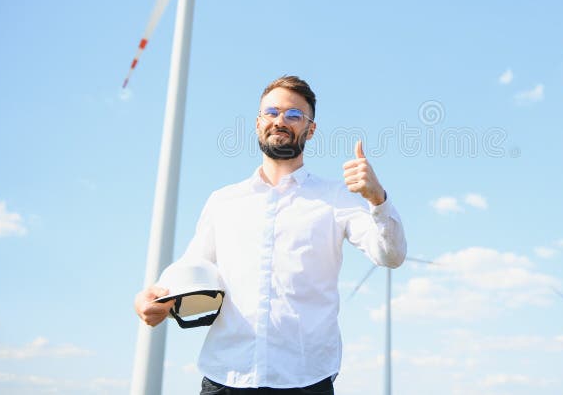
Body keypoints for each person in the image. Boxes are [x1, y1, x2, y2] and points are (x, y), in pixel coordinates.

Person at [134, 75, 407, 394]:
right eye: (272, 112)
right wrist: (153, 297)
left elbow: (391, 256)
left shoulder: (337, 197)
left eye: (294, 115)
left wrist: (377, 198)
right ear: (257, 122)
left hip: (306, 379)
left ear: (311, 129)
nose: (281, 121)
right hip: (225, 377)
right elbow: (191, 268)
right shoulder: (223, 201)